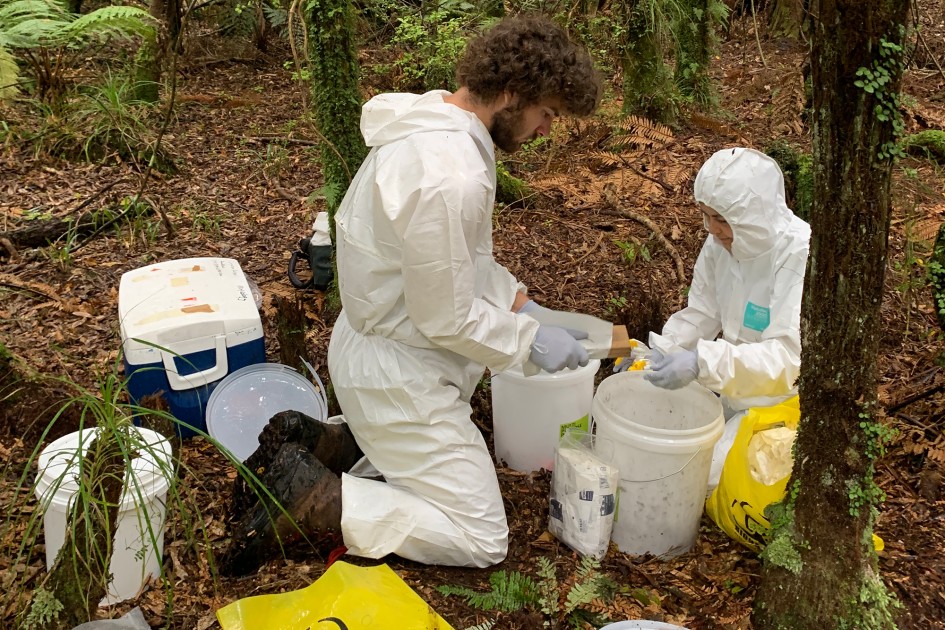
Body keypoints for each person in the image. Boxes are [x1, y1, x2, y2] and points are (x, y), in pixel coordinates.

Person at [221, 14, 602, 574]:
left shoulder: (434, 123)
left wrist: (521, 304)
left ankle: (339, 447)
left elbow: (456, 261)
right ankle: (313, 498)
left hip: (380, 352)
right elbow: (444, 316)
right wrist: (527, 342)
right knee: (481, 538)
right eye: (547, 113)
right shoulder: (451, 173)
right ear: (513, 94)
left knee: (429, 461)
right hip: (397, 376)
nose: (546, 128)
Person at [619, 147, 810, 489]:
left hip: (781, 406)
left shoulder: (797, 251)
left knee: (701, 479)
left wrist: (701, 361)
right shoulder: (719, 244)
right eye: (706, 215)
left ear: (754, 215)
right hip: (729, 387)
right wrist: (659, 352)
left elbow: (787, 358)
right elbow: (703, 311)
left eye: (722, 219)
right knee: (660, 445)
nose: (713, 228)